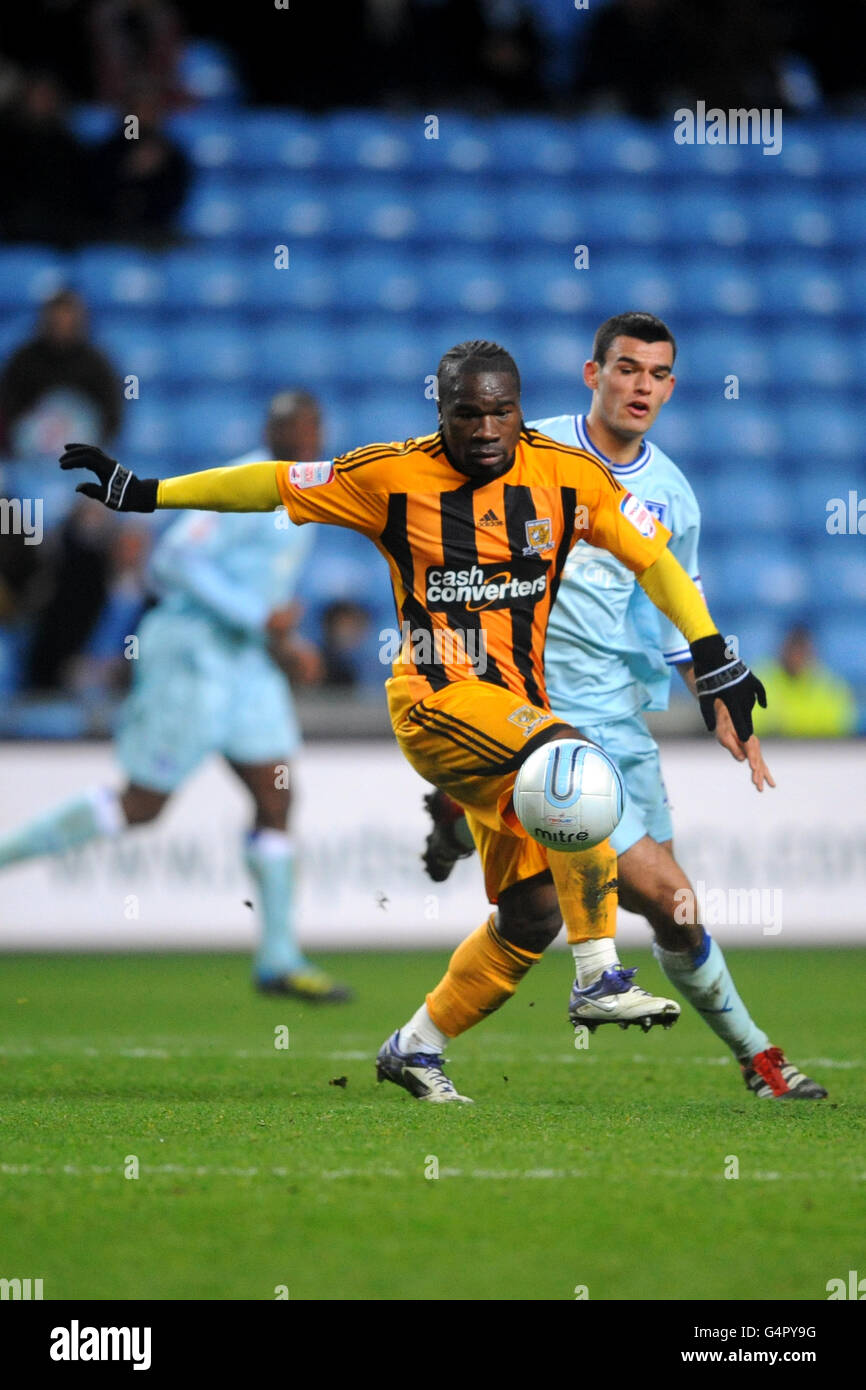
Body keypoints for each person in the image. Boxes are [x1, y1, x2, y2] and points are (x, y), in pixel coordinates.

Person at [58, 339, 767, 1102]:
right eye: (469, 413)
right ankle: (599, 975)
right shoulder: (389, 476)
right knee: (575, 763)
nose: (487, 428)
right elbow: (270, 484)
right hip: (434, 703)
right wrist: (146, 491)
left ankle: (414, 1047)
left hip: (514, 714)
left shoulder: (568, 476)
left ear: (521, 411)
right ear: (443, 412)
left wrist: (711, 650)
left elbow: (654, 558)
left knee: (529, 917)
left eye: (502, 411)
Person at [422, 314, 826, 1101]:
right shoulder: (522, 450)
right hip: (542, 724)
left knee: (662, 912)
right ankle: (759, 1057)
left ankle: (451, 830)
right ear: (592, 374)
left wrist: (716, 698)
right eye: (627, 369)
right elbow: (447, 551)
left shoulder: (671, 493)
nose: (642, 386)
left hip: (621, 723)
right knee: (637, 897)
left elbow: (676, 610)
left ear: (671, 387)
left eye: (658, 374)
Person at [2, 391, 351, 1003]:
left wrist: (280, 640)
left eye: (311, 429)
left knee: (276, 795)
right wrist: (263, 620)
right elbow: (173, 560)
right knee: (142, 805)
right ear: (269, 433)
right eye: (290, 429)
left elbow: (262, 590)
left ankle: (278, 958)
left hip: (244, 663)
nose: (303, 439)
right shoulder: (243, 485)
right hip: (190, 654)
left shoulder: (309, 492)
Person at [754, 624, 857, 738]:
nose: (796, 657)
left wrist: (787, 725)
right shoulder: (759, 682)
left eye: (801, 651)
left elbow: (841, 725)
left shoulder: (830, 687)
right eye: (792, 651)